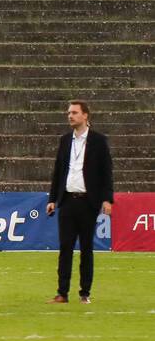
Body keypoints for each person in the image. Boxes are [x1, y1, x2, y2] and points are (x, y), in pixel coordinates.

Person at [47, 100, 114, 304]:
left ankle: (85, 292)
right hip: (67, 200)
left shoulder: (98, 141)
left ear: (85, 115)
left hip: (88, 202)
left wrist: (107, 199)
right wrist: (52, 199)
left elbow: (106, 172)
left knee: (86, 248)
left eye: (74, 112)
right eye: (69, 112)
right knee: (65, 247)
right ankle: (62, 293)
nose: (70, 116)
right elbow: (58, 171)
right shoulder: (65, 140)